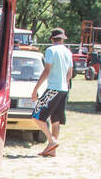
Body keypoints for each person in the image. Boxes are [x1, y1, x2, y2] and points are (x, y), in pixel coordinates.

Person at [31, 26, 73, 156]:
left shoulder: (50, 50)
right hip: (64, 89)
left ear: (51, 39)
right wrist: (64, 86)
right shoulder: (68, 52)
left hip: (53, 88)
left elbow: (47, 71)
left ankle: (52, 140)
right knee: (56, 120)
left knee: (37, 116)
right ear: (62, 39)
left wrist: (36, 89)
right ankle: (52, 150)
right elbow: (70, 74)